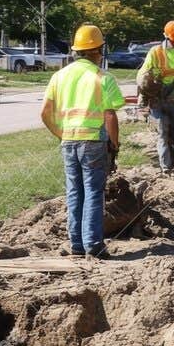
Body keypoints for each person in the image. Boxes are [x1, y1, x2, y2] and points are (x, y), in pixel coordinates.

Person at [41, 24, 126, 259]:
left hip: (68, 141)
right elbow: (110, 115)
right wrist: (115, 144)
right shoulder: (102, 78)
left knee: (74, 192)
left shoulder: (59, 76)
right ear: (99, 50)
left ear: (78, 50)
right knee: (93, 192)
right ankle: (94, 245)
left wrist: (61, 133)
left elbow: (45, 113)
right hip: (94, 143)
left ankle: (77, 245)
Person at [136, 20, 174, 172]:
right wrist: (145, 95)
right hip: (158, 100)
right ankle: (165, 168)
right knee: (163, 132)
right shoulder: (155, 52)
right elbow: (142, 77)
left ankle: (171, 164)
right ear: (167, 38)